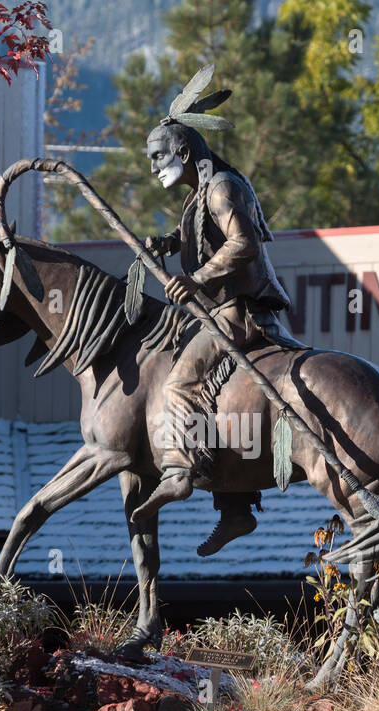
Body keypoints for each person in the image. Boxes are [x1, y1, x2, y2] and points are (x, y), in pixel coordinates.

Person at [131, 115, 305, 556]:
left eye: (158, 157)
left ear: (184, 153)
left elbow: (243, 242)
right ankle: (234, 508)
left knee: (181, 383)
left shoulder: (223, 186)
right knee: (219, 398)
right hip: (221, 311)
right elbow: (199, 231)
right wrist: (167, 244)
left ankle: (180, 471)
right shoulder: (200, 195)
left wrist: (198, 279)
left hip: (239, 313)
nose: (153, 168)